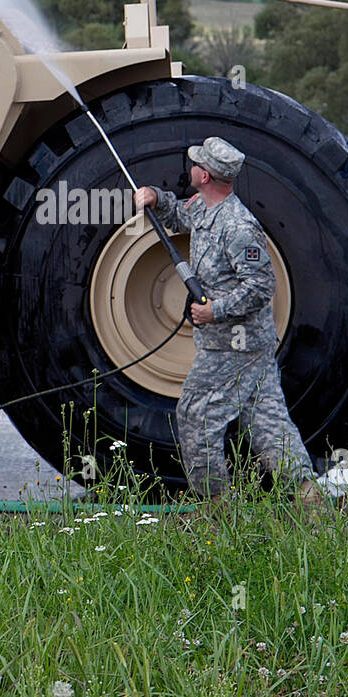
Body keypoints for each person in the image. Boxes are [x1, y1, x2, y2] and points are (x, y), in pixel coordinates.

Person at [135, 136, 326, 510]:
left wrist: (215, 310)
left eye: (195, 164)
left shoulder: (239, 226)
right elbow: (179, 215)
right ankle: (309, 499)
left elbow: (260, 285)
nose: (189, 167)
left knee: (195, 414)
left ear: (204, 175)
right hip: (237, 345)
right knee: (267, 423)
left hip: (234, 345)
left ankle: (217, 504)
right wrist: (156, 198)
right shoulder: (205, 208)